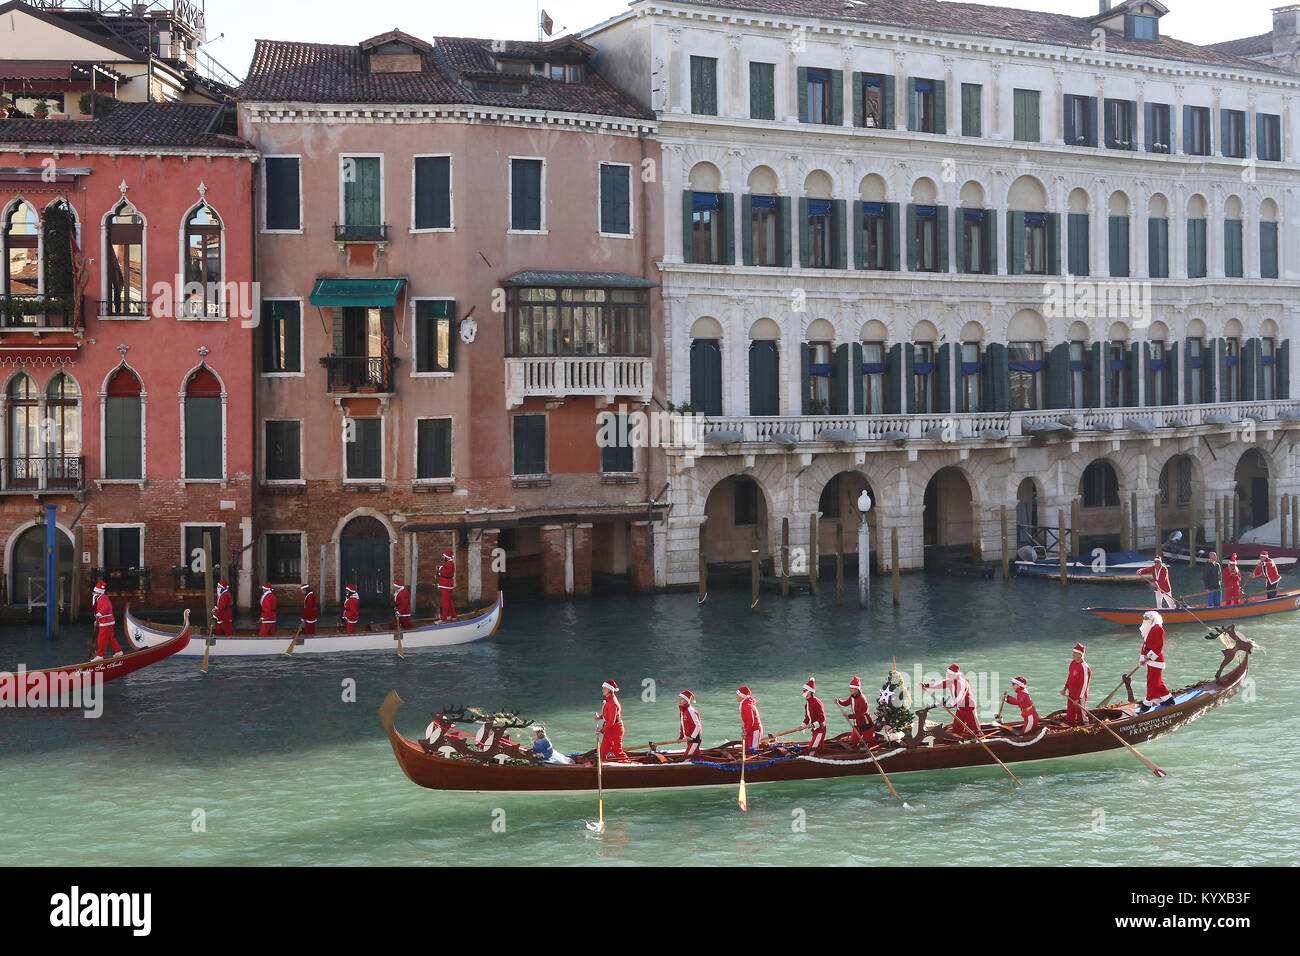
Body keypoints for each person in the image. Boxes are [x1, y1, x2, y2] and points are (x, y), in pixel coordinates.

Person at [921, 663, 980, 737]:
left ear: (955, 675)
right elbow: (939, 683)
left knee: (975, 730)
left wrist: (949, 705)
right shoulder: (950, 681)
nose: (948, 675)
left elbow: (959, 698)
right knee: (957, 728)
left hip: (969, 708)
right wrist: (926, 685)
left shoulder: (963, 683)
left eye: (949, 674)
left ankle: (978, 737)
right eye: (948, 674)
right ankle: (958, 740)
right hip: (960, 708)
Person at [1137, 610, 1175, 713]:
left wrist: (1148, 658)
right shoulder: (1148, 629)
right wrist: (1142, 658)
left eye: (1147, 619)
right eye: (1144, 619)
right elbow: (1144, 646)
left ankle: (1147, 704)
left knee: (1152, 683)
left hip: (1156, 660)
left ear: (1152, 619)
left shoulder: (1158, 629)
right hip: (1149, 660)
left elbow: (1158, 647)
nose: (1145, 621)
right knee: (1157, 682)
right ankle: (1168, 699)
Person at [834, 675, 876, 747]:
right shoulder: (852, 696)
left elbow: (860, 715)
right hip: (857, 725)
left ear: (857, 689)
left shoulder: (862, 700)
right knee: (853, 742)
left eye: (852, 688)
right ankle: (855, 753)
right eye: (850, 688)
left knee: (871, 743)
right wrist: (839, 701)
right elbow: (846, 703)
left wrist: (849, 716)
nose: (850, 689)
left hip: (866, 725)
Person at [1059, 642, 1092, 726]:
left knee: (1081, 716)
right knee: (1070, 713)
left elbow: (1084, 685)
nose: (1073, 654)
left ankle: (1085, 726)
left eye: (1075, 653)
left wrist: (1078, 698)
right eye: (1073, 652)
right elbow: (1069, 677)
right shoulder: (1072, 663)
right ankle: (1071, 726)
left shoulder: (1084, 667)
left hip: (1080, 696)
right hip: (1071, 693)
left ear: (1080, 655)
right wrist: (1065, 688)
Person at [595, 680, 628, 762]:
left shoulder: (612, 703)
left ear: (609, 690)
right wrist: (600, 717)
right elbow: (608, 715)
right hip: (609, 729)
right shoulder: (608, 699)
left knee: (617, 751)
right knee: (602, 753)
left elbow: (611, 722)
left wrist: (601, 731)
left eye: (604, 688)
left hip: (615, 730)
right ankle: (606, 767)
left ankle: (628, 765)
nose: (602, 690)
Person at [90, 581, 122, 661]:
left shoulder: (102, 598)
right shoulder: (99, 598)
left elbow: (107, 607)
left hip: (106, 622)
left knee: (101, 638)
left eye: (94, 591)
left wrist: (99, 614)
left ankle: (100, 656)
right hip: (106, 621)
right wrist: (97, 620)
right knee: (110, 637)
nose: (93, 593)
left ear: (98, 591)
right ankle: (118, 651)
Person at [798, 678, 828, 753]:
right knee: (817, 748)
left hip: (820, 730)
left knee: (811, 752)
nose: (803, 692)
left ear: (810, 692)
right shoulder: (807, 704)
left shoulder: (817, 702)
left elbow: (822, 718)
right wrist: (802, 726)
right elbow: (807, 718)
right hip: (814, 730)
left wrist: (812, 725)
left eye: (804, 690)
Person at [737, 685, 764, 754]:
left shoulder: (747, 705)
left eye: (738, 695)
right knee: (747, 747)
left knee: (752, 749)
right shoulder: (745, 703)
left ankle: (753, 761)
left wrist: (746, 731)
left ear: (742, 696)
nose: (736, 697)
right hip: (750, 729)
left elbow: (751, 721)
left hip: (755, 730)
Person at [677, 690, 703, 759]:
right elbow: (682, 725)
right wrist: (681, 737)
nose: (679, 701)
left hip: (694, 739)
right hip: (688, 739)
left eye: (681, 699)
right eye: (679, 699)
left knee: (685, 759)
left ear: (686, 700)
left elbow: (698, 725)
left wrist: (692, 737)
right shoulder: (683, 711)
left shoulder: (690, 711)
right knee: (696, 756)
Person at [436, 550, 456, 621]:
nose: (442, 557)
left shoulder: (450, 564)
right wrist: (439, 573)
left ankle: (443, 619)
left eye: (444, 556)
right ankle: (453, 616)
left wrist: (440, 568)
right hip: (446, 585)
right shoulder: (449, 563)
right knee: (449, 601)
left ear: (447, 557)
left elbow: (447, 573)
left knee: (445, 603)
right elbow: (446, 573)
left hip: (446, 585)